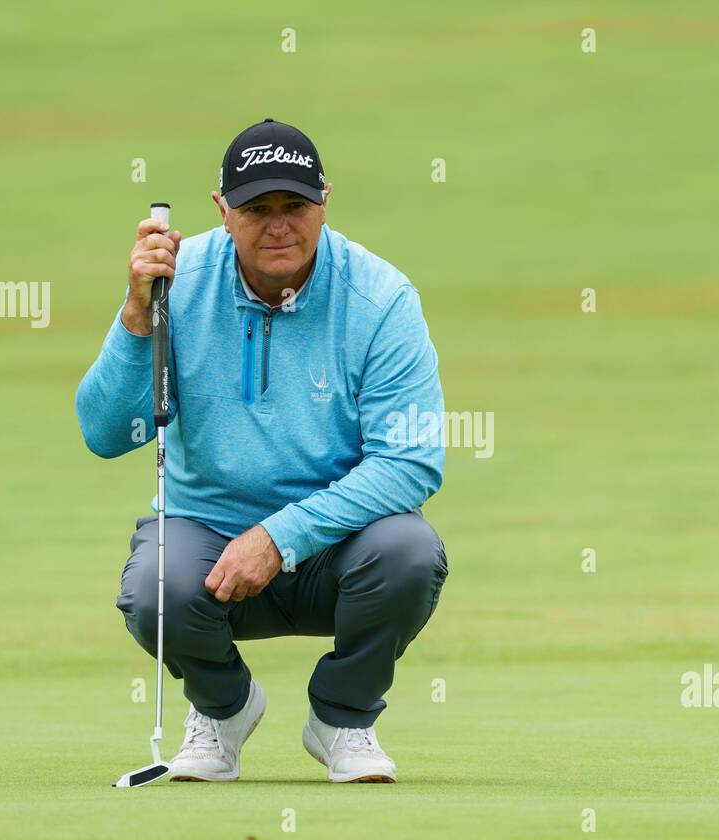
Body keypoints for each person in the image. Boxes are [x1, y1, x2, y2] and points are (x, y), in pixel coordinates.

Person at [75, 119, 448, 783]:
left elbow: (410, 464)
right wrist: (136, 317)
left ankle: (344, 717)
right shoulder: (173, 285)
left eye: (295, 206)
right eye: (257, 210)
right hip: (208, 541)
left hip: (341, 550)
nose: (279, 226)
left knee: (410, 554)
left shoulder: (381, 298)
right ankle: (223, 709)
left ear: (325, 200)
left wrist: (279, 537)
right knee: (155, 587)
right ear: (223, 212)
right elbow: (104, 435)